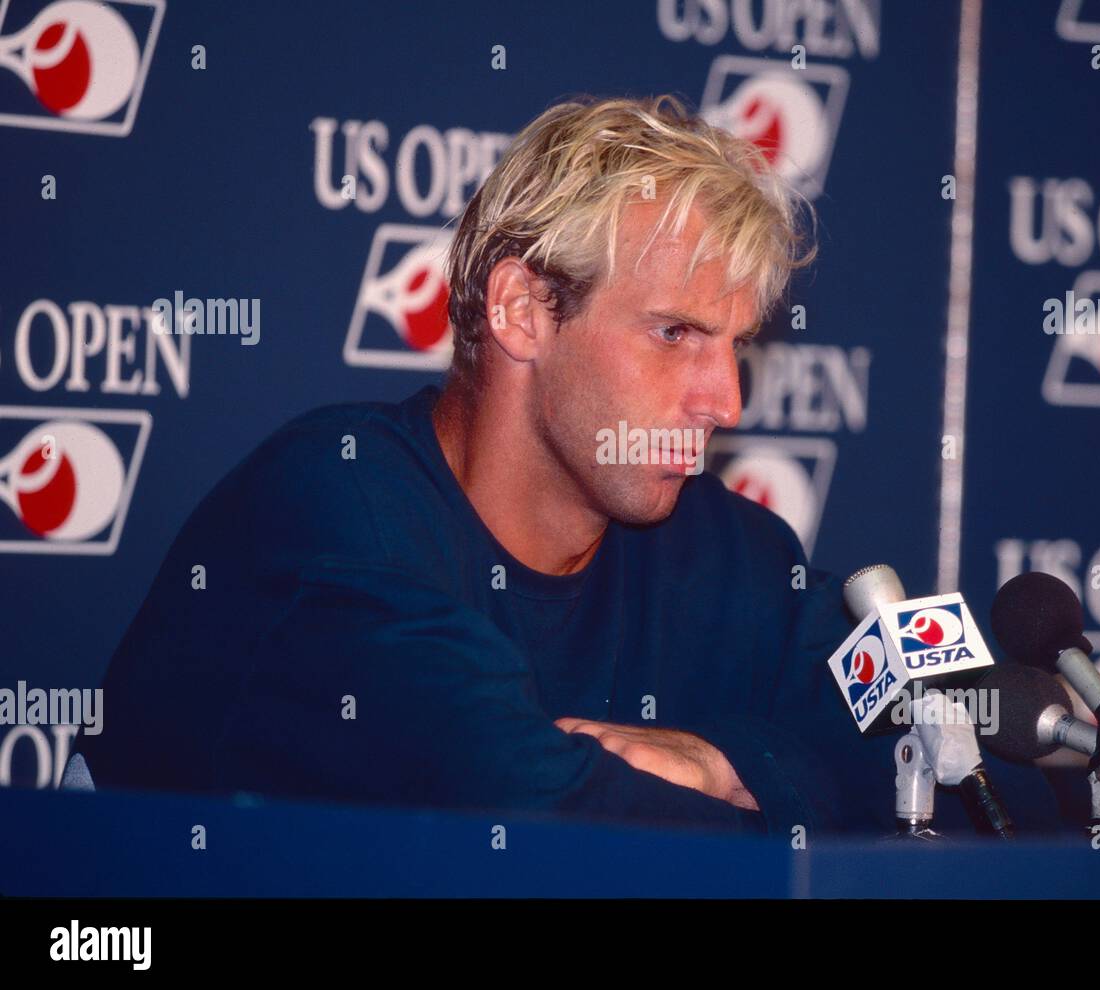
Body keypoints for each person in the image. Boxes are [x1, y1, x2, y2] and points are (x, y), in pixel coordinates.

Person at [75, 94, 897, 838]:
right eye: (674, 334)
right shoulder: (332, 511)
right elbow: (540, 825)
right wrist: (805, 804)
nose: (726, 402)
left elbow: (970, 735)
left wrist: (730, 763)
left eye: (736, 346)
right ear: (521, 311)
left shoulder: (721, 546)